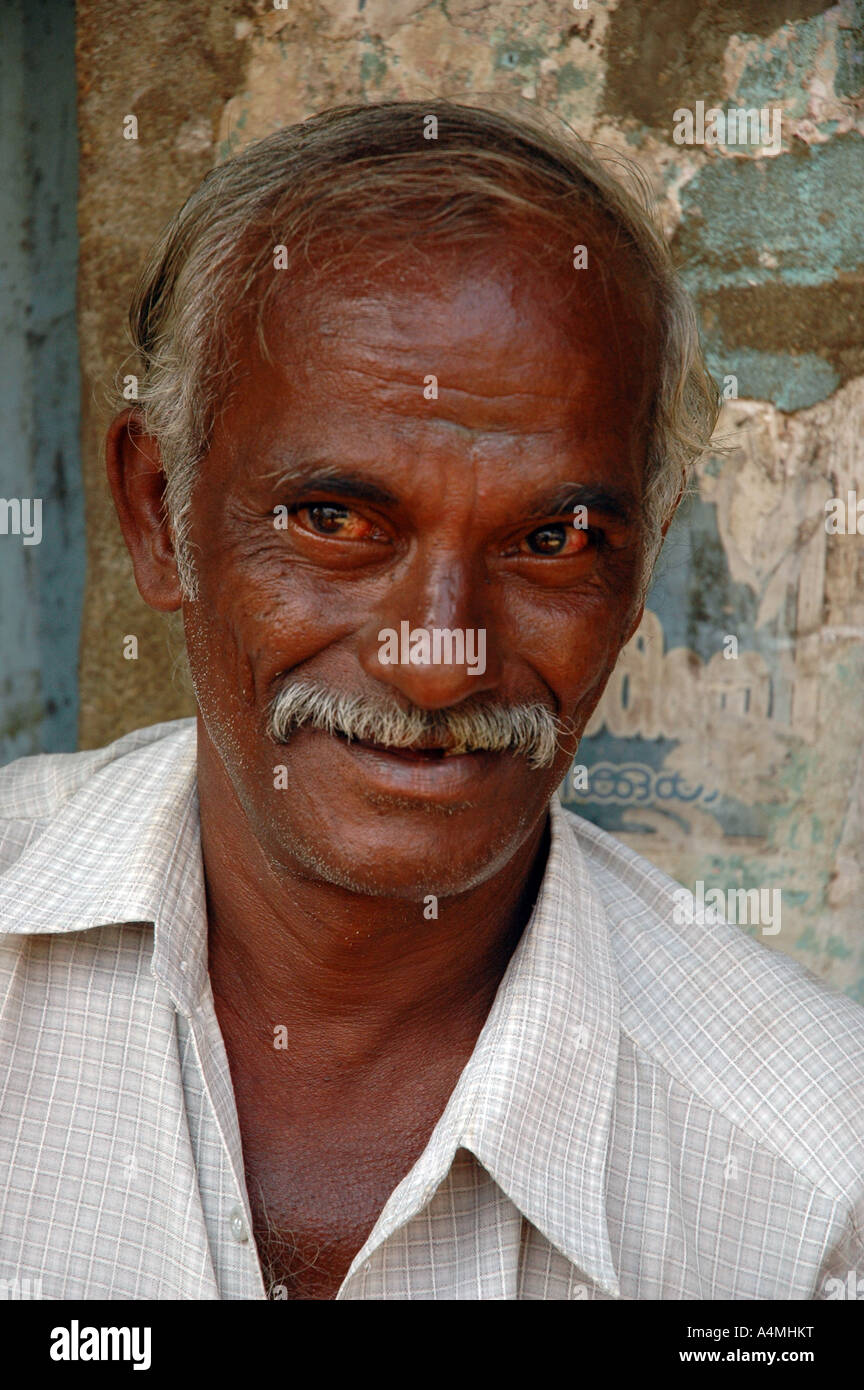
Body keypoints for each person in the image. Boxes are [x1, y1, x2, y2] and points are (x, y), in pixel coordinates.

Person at [1, 99, 862, 1301]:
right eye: (336, 522)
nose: (439, 659)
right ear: (159, 515)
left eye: (552, 540)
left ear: (640, 570)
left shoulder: (812, 1200)